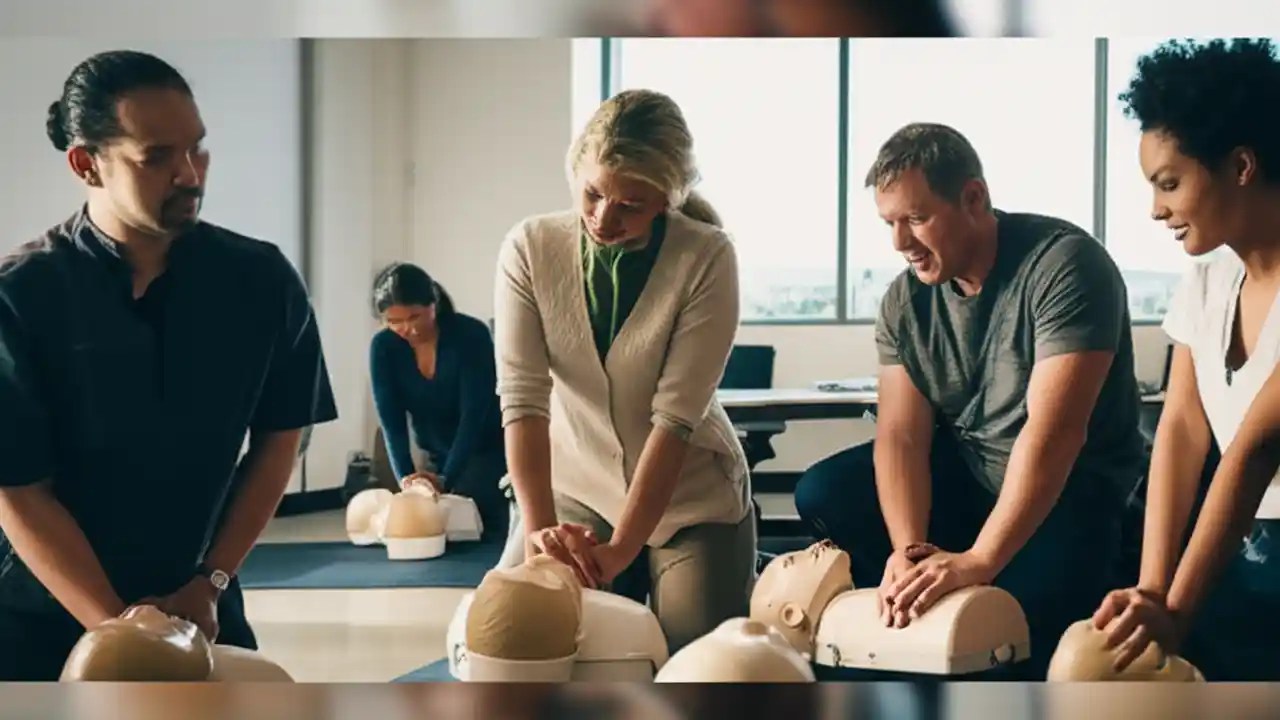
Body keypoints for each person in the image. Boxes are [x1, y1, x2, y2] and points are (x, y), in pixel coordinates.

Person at [0, 49, 337, 681]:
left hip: (199, 601)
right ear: (86, 163)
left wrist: (210, 581)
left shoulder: (260, 281)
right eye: (156, 156)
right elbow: (18, 490)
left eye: (197, 148)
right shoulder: (21, 296)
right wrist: (118, 633)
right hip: (44, 616)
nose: (190, 174)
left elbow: (279, 438)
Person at [794, 122, 1146, 679]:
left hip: (1072, 490)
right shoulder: (904, 300)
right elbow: (902, 436)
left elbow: (1054, 434)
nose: (900, 243)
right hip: (977, 479)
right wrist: (908, 552)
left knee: (1018, 638)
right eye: (889, 223)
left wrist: (982, 560)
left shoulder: (1066, 265)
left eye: (915, 218)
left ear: (974, 198)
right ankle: (925, 589)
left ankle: (992, 579)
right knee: (824, 490)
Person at [492, 88, 756, 654]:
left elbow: (675, 419)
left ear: (669, 197)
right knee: (511, 632)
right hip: (575, 487)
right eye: (592, 194)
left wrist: (621, 551)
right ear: (575, 171)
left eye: (631, 205)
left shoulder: (707, 257)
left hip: (688, 498)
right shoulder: (529, 248)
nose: (603, 218)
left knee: (695, 661)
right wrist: (540, 531)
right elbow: (523, 399)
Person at [1091, 38, 1280, 681]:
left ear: (1242, 166)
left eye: (1169, 183)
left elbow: (1255, 450)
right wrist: (1152, 591)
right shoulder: (1208, 276)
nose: (1156, 208)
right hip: (1245, 541)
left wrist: (1177, 610)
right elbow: (1181, 427)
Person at [369, 261, 507, 540]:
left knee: (476, 522)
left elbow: (473, 416)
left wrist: (447, 479)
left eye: (416, 317)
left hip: (486, 450)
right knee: (430, 523)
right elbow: (392, 422)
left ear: (434, 304)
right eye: (395, 322)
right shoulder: (383, 347)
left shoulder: (471, 335)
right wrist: (408, 481)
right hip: (436, 452)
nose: (408, 329)